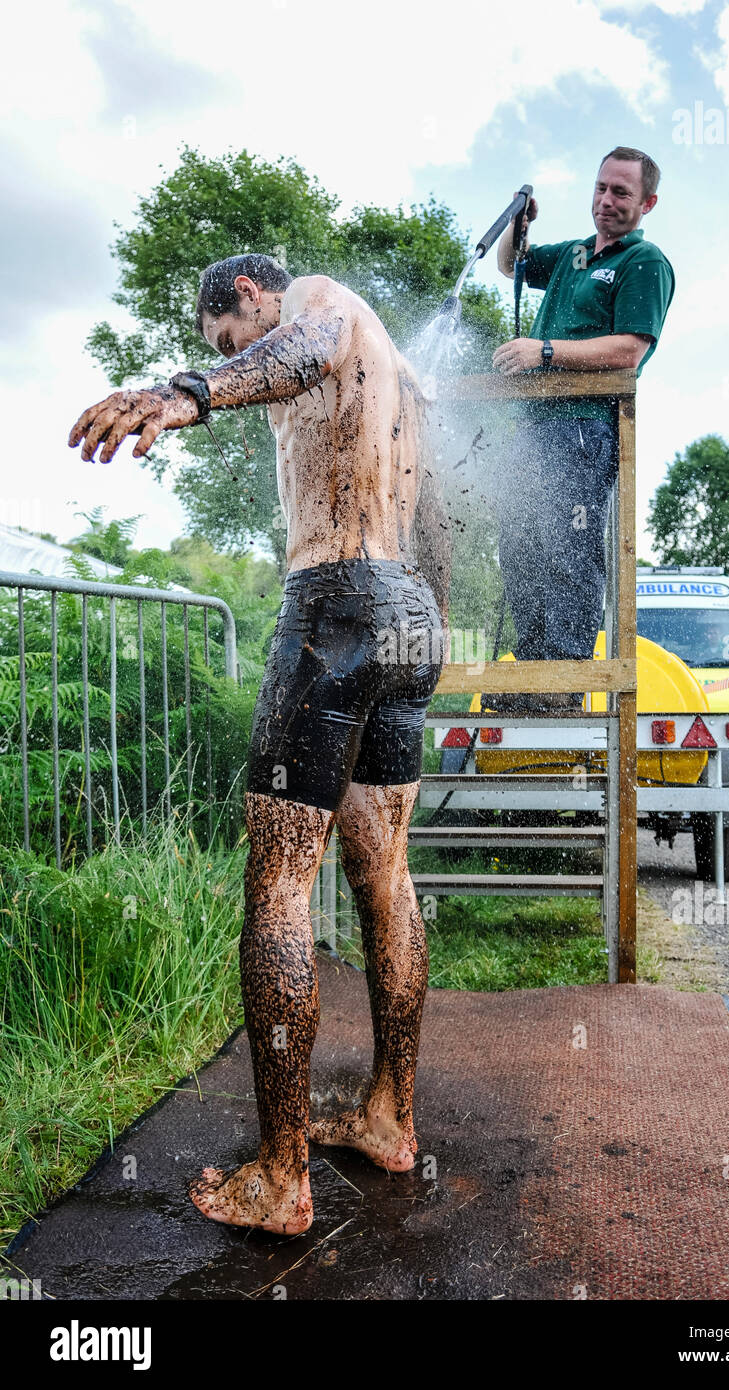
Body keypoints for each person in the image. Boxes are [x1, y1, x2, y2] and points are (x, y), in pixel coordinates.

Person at [68, 255, 451, 1235]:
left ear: (246, 295)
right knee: (388, 874)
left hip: (335, 603)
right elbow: (433, 519)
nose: (232, 353)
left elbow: (303, 344)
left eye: (223, 335)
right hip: (409, 616)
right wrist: (423, 636)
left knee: (281, 883)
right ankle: (389, 1118)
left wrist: (188, 390)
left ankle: (281, 1178)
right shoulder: (403, 378)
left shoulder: (320, 303)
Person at [489, 147, 675, 711]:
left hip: (585, 429)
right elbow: (509, 265)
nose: (607, 201)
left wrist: (544, 350)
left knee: (567, 546)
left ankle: (563, 685)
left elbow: (629, 348)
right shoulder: (572, 255)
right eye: (601, 188)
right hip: (532, 428)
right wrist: (518, 222)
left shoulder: (645, 263)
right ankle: (533, 678)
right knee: (520, 543)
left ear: (647, 202)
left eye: (621, 192)